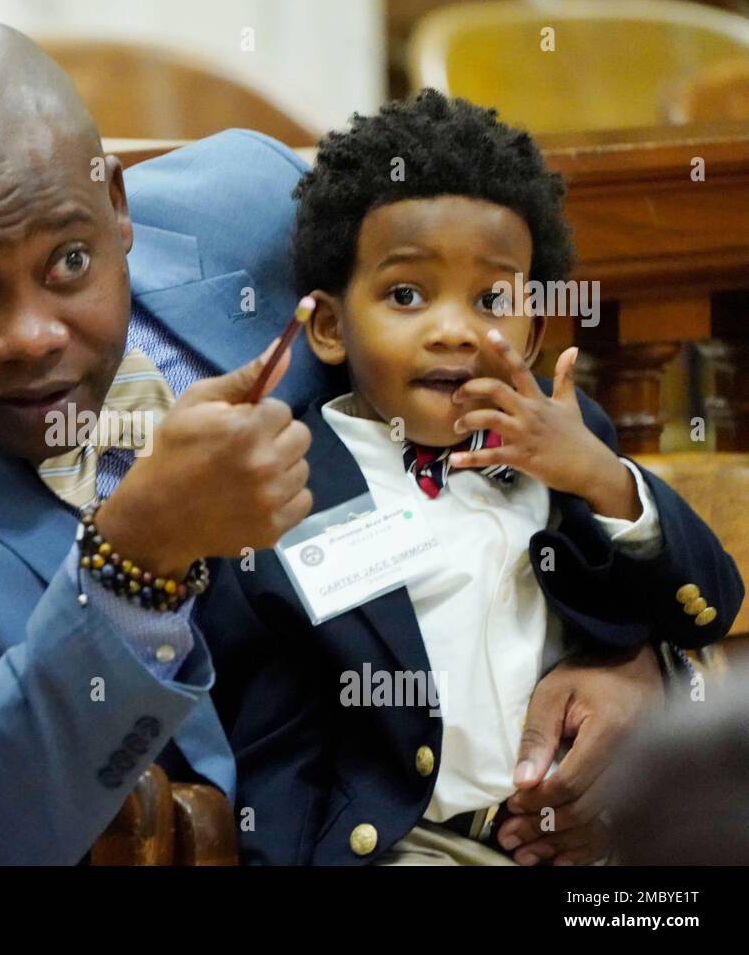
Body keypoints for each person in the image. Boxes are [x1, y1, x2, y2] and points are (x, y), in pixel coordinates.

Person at [0, 21, 669, 866]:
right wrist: (134, 563)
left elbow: (541, 442)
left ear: (116, 208)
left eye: (70, 261)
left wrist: (633, 664)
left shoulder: (256, 215)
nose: (31, 336)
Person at [200, 90, 744, 865]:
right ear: (328, 325)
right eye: (406, 294)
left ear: (531, 330)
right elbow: (272, 743)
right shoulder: (286, 484)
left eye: (492, 298)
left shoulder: (569, 440)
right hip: (406, 848)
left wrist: (602, 478)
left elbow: (706, 607)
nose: (454, 328)